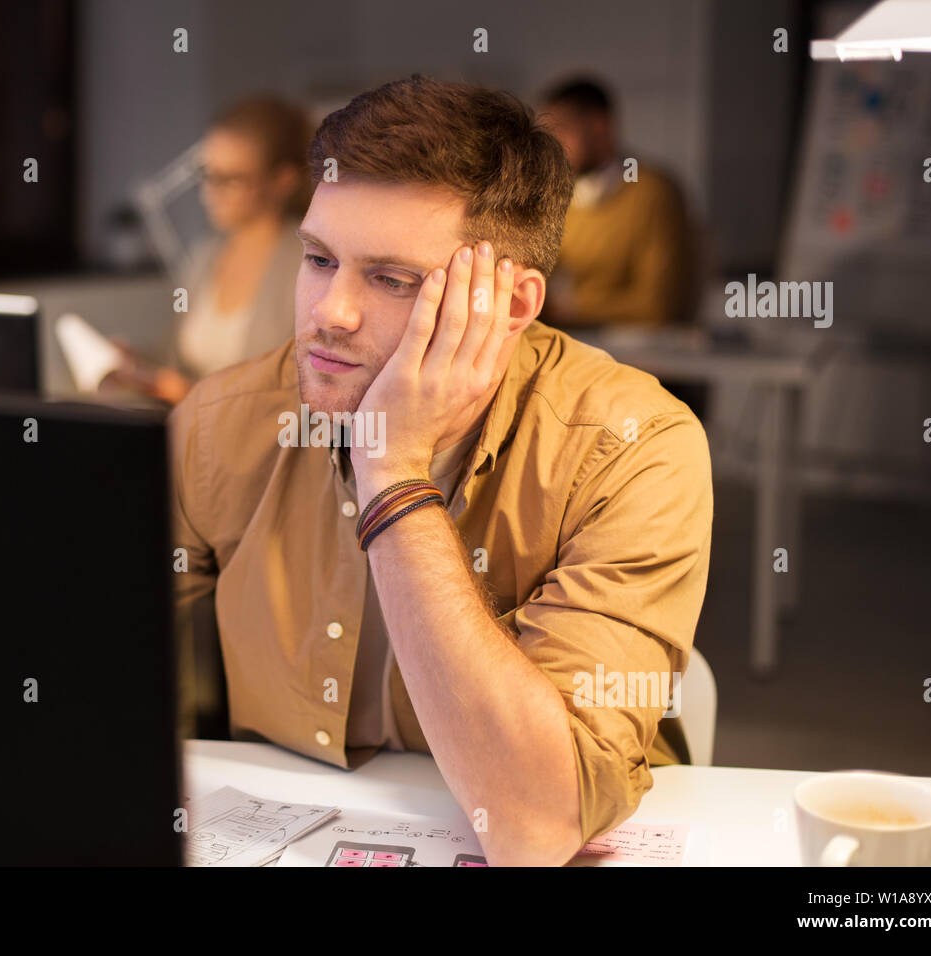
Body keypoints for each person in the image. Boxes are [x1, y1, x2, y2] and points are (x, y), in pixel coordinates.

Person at [169, 75, 713, 865]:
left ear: (514, 303)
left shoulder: (635, 446)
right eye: (319, 259)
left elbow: (534, 824)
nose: (331, 312)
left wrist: (393, 468)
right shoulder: (220, 425)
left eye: (393, 280)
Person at [97, 95, 312, 405]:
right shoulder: (204, 258)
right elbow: (183, 363)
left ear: (282, 180)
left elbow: (293, 395)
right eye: (208, 175)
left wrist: (190, 395)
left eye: (231, 179)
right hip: (198, 442)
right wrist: (137, 362)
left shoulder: (305, 265)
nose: (211, 193)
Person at [535, 77, 698, 328]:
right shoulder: (561, 193)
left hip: (649, 350)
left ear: (600, 126)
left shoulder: (653, 191)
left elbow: (657, 305)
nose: (554, 143)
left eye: (563, 129)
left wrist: (568, 306)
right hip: (582, 342)